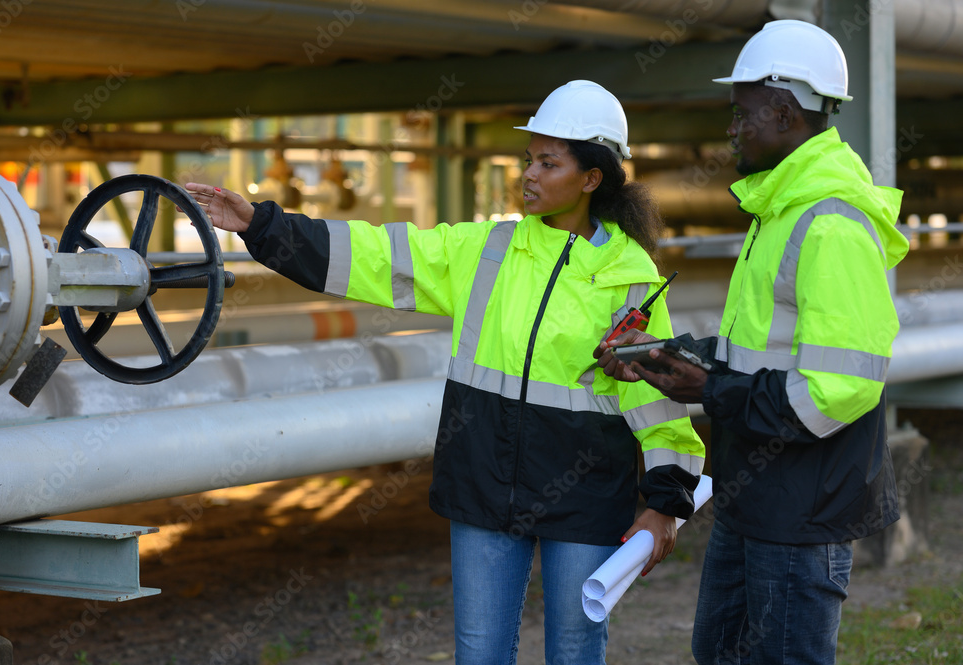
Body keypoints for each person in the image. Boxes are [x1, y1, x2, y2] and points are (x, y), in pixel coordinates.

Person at [187, 80, 705, 664]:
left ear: (592, 179)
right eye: (528, 159)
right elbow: (373, 255)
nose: (529, 175)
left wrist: (666, 500)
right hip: (483, 483)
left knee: (575, 650)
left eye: (548, 162)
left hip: (584, 492)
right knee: (479, 652)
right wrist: (260, 224)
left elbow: (660, 398)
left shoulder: (632, 277)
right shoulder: (484, 249)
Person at [595, 20, 909, 665]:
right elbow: (760, 353)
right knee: (722, 652)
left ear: (786, 112)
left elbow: (839, 389)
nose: (731, 130)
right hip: (755, 496)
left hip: (801, 510)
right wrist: (668, 358)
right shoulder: (783, 213)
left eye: (741, 115)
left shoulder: (831, 225)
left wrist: (711, 389)